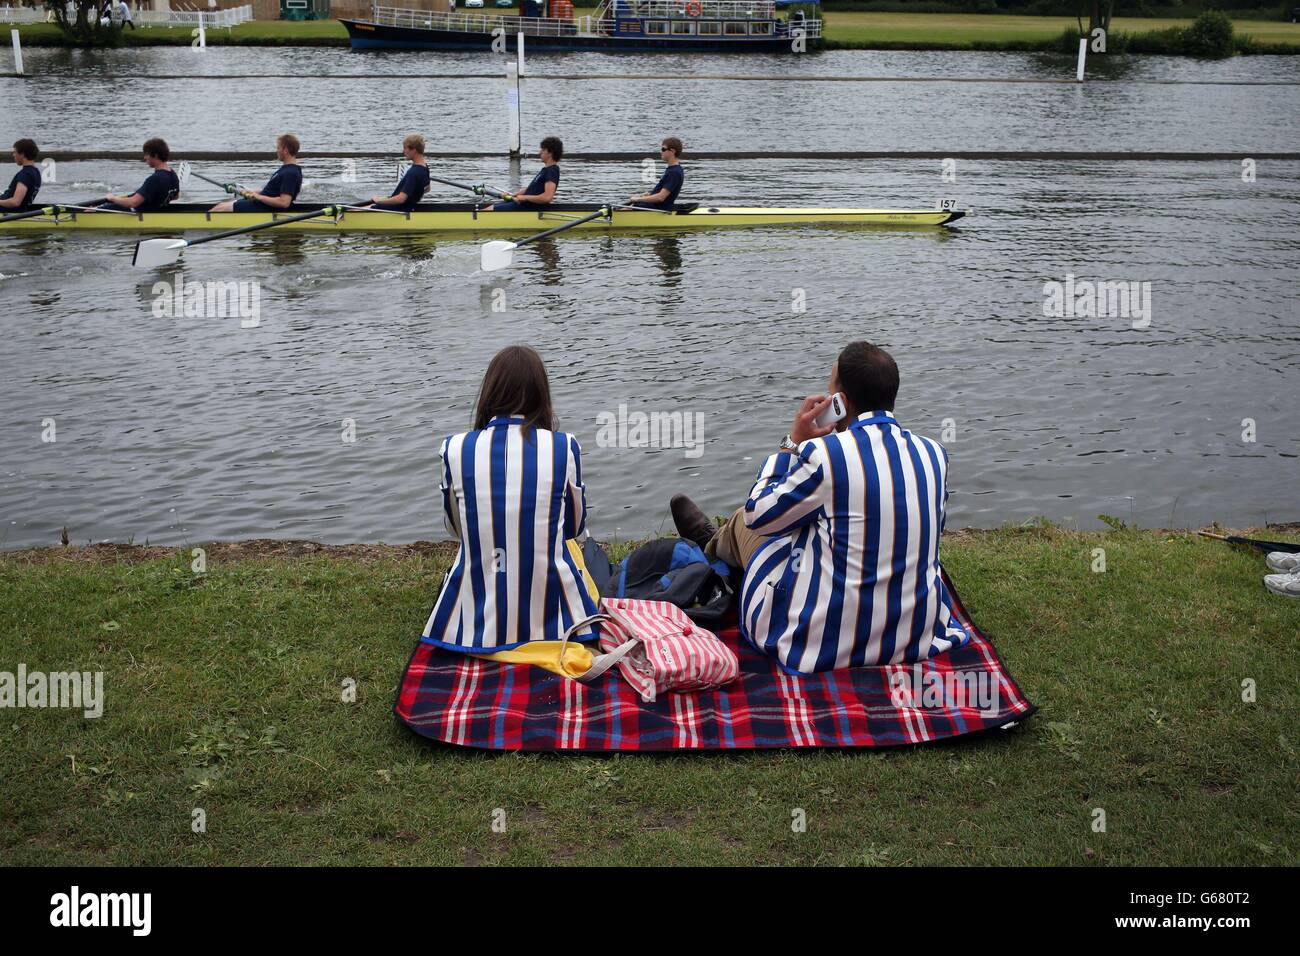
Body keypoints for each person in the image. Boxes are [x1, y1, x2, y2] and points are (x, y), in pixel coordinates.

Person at [670, 341, 971, 674]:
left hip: (824, 646)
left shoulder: (826, 454)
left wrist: (792, 443)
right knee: (821, 519)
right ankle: (716, 542)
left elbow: (760, 516)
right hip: (913, 636)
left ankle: (712, 544)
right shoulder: (934, 455)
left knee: (746, 521)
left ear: (839, 403)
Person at [419, 345, 600, 652]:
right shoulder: (563, 447)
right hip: (556, 618)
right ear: (541, 395)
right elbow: (574, 528)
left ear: (489, 393)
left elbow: (457, 530)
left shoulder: (454, 448)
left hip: (474, 624)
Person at [210, 134, 302, 213]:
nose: (277, 151)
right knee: (221, 206)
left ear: (285, 150)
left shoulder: (290, 173)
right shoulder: (287, 169)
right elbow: (272, 191)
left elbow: (284, 203)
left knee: (220, 208)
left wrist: (258, 197)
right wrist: (252, 192)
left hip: (265, 208)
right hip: (262, 205)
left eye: (278, 148)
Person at [102, 138, 179, 212]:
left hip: (137, 213)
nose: (144, 157)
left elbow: (133, 203)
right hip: (155, 211)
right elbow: (176, 196)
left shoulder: (155, 179)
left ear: (155, 155)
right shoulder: (173, 175)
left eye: (146, 154)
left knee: (95, 209)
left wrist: (113, 198)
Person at [486, 136, 562, 211]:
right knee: (490, 207)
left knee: (488, 211)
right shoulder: (546, 170)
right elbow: (534, 189)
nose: (540, 152)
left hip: (530, 207)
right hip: (523, 204)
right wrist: (516, 194)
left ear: (550, 153)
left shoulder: (552, 171)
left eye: (543, 149)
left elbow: (547, 197)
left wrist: (525, 197)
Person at [368, 134, 430, 212]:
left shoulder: (413, 173)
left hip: (396, 210)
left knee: (351, 210)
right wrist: (413, 196)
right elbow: (427, 188)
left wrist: (378, 201)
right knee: (366, 206)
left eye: (405, 148)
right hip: (408, 207)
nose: (403, 151)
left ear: (414, 150)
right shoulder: (425, 167)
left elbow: (400, 199)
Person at [629, 136, 684, 211]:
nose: (661, 152)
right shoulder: (673, 169)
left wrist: (638, 199)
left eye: (663, 149)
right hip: (655, 206)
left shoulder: (674, 172)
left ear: (673, 151)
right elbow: (662, 193)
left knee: (628, 207)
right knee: (630, 205)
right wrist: (646, 195)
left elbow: (661, 198)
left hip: (659, 209)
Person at [0, 139, 42, 212]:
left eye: (15, 152)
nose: (13, 155)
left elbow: (16, 202)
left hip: (7, 212)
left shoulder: (25, 175)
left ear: (22, 154)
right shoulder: (36, 172)